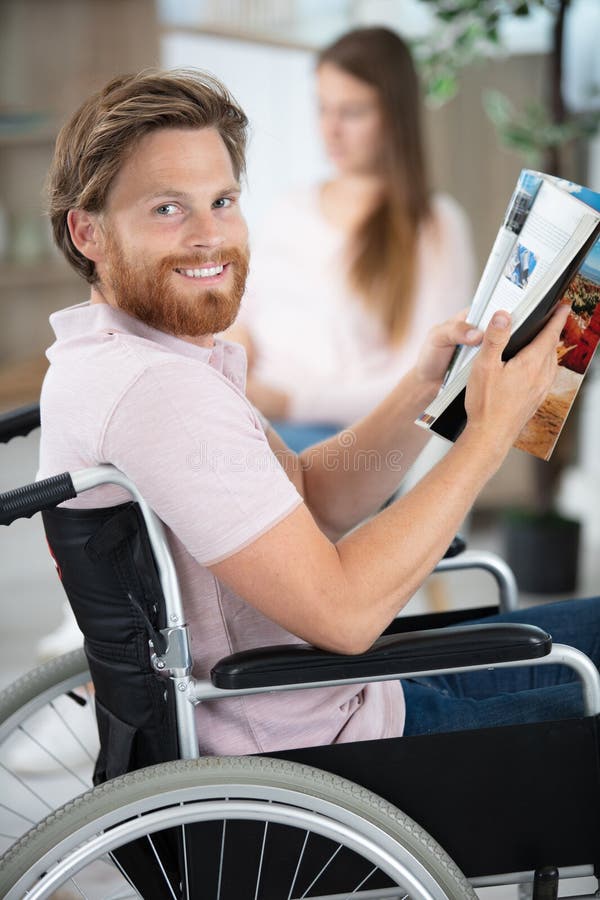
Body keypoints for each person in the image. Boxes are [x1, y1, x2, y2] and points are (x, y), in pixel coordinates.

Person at [38, 68, 598, 759]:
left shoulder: (123, 358)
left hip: (337, 703)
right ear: (87, 233)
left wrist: (422, 385)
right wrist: (487, 437)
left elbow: (306, 497)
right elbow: (348, 615)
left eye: (221, 200)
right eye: (166, 209)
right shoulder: (159, 394)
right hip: (332, 748)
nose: (209, 236)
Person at [227, 27, 476, 451]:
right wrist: (232, 371)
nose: (331, 129)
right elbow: (241, 315)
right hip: (252, 415)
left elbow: (423, 380)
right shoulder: (290, 208)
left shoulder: (434, 225)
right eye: (323, 107)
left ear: (395, 116)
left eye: (353, 112)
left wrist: (288, 401)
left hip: (343, 437)